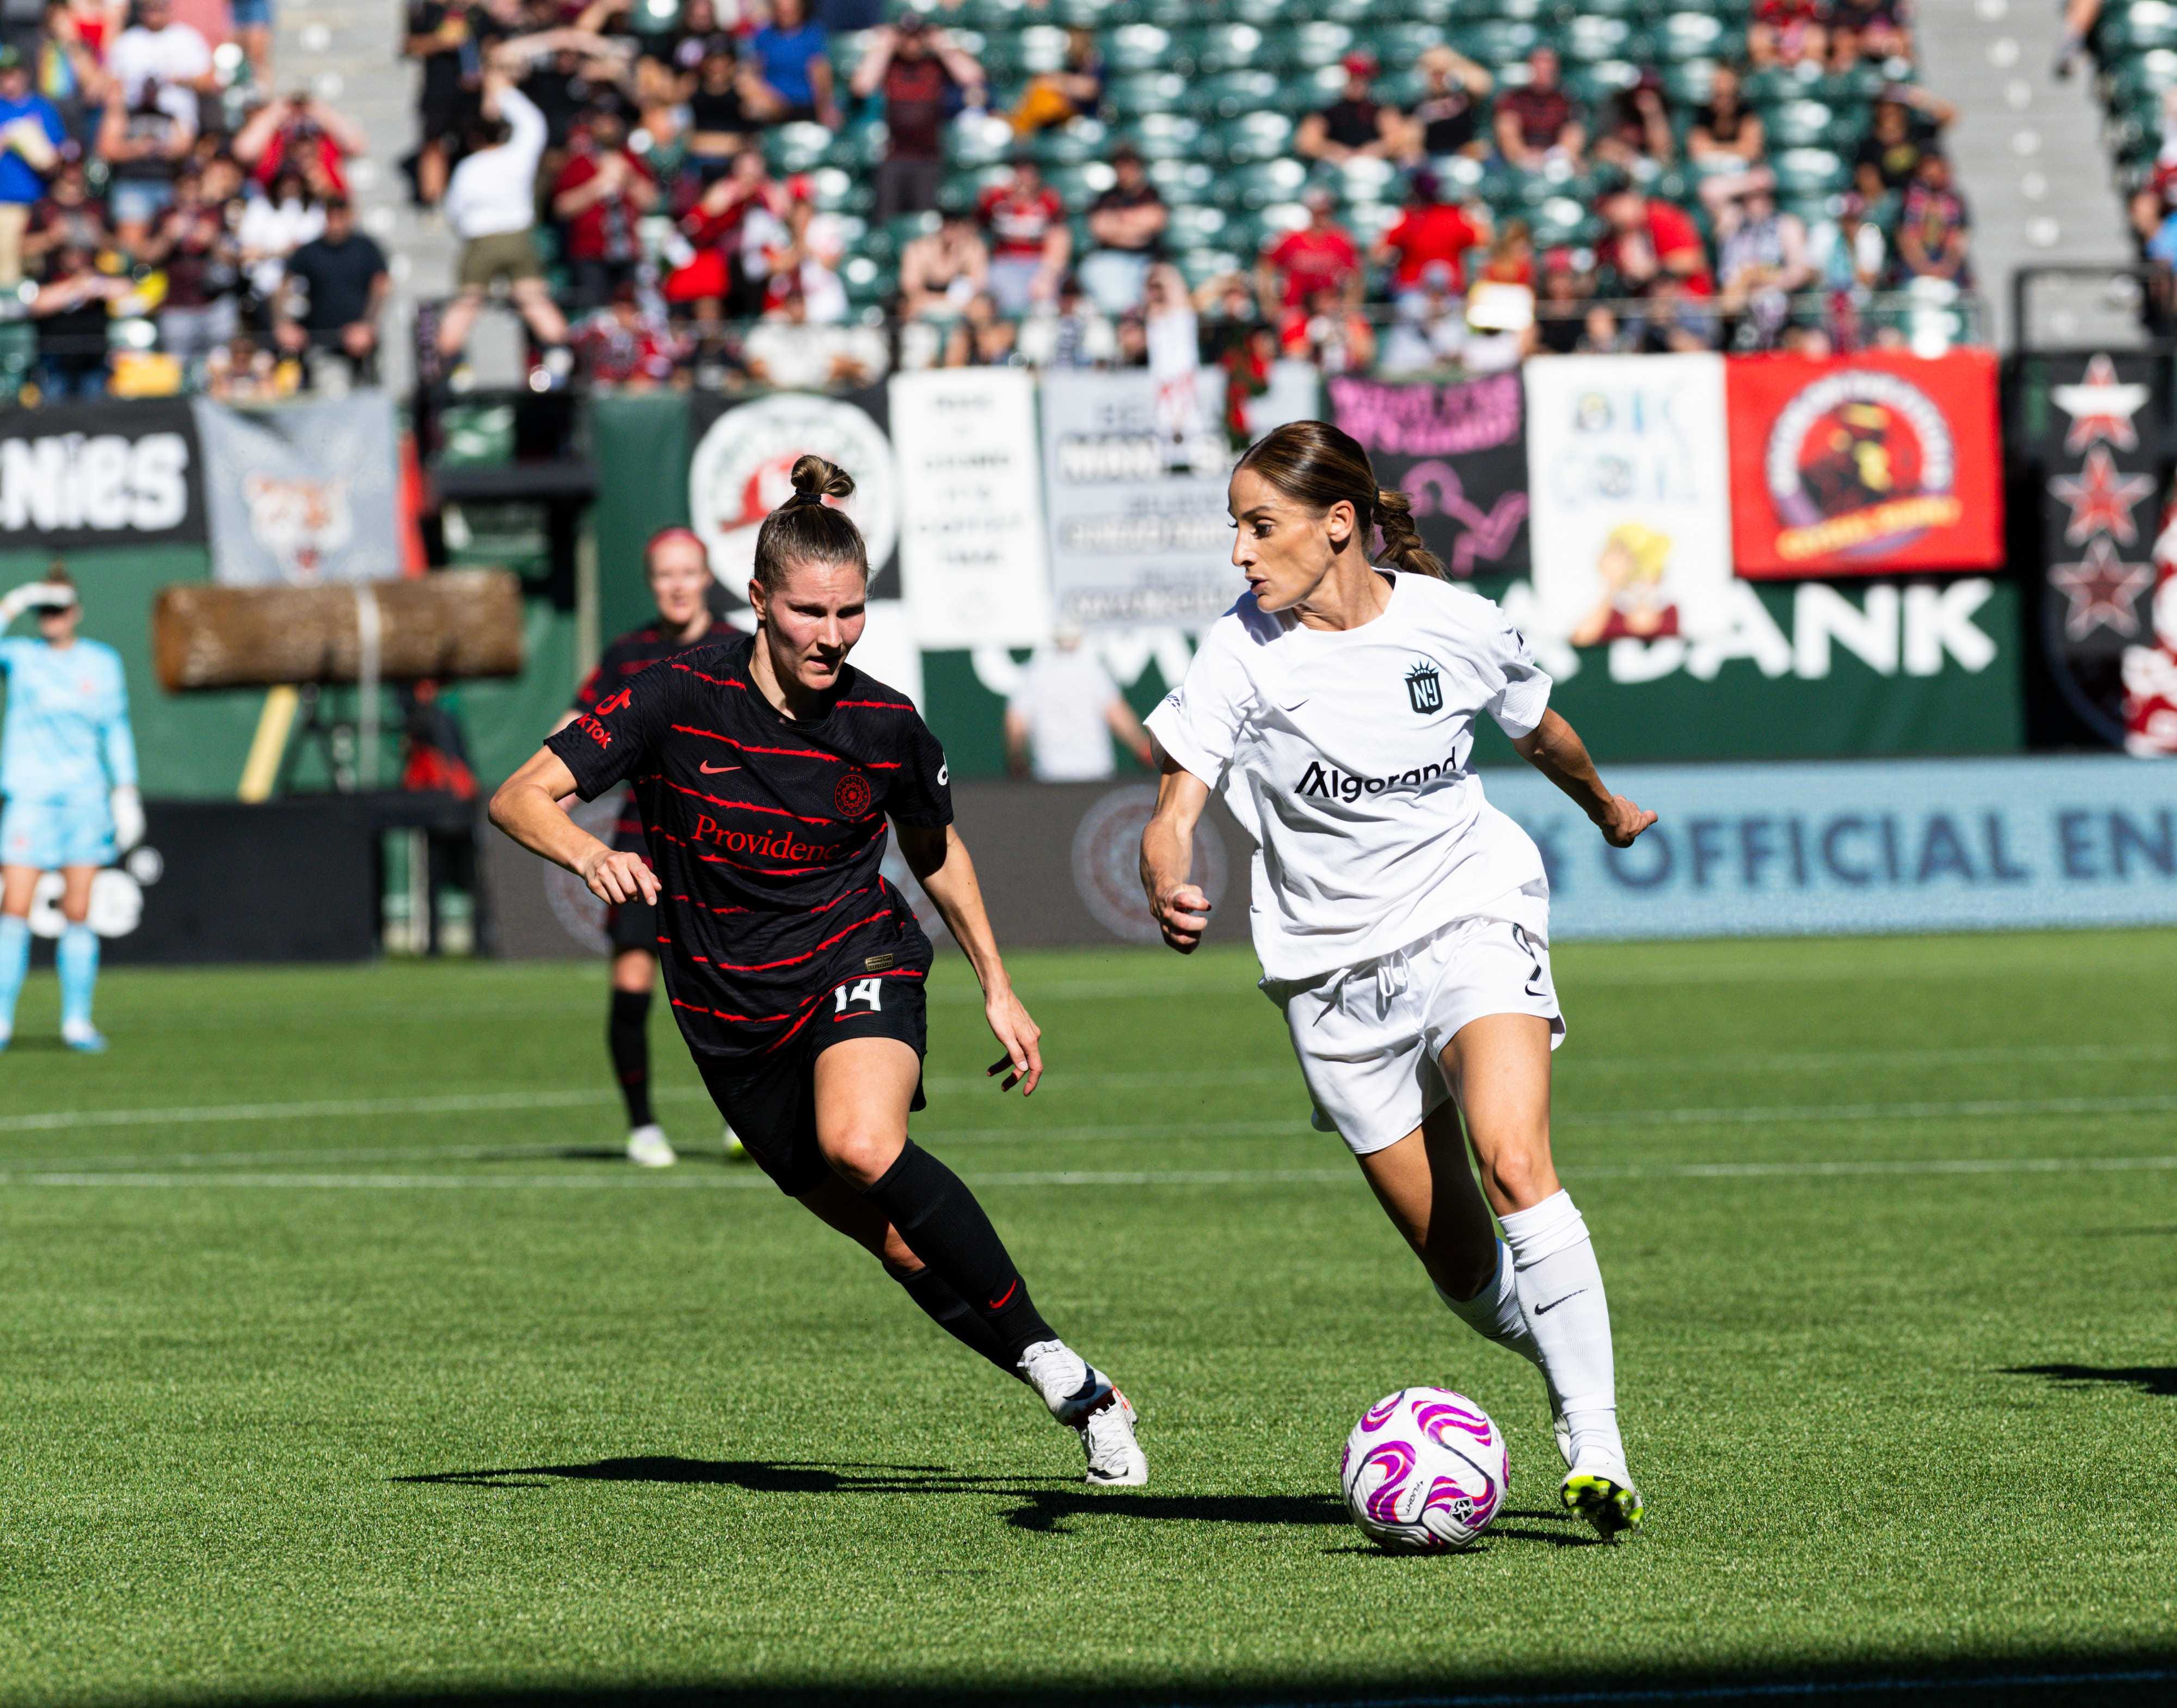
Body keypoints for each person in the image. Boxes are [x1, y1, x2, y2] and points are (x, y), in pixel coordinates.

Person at [490, 456, 1149, 1486]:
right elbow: (522, 794)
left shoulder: (884, 725)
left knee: (862, 1140)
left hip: (859, 953)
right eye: (809, 612)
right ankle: (1071, 1382)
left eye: (851, 612)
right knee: (895, 1245)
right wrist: (590, 852)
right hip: (726, 1018)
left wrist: (998, 984)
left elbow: (936, 854)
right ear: (758, 600)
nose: (832, 635)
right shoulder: (673, 694)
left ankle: (1061, 1366)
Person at [1137, 420, 1653, 1539]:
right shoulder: (1238, 655)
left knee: (1515, 1157)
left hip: (1469, 909)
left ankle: (1596, 1439)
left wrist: (1604, 807)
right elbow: (1174, 806)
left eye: (1257, 526)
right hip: (1330, 978)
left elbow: (1539, 729)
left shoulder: (1454, 625)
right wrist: (1168, 878)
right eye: (1233, 527)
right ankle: (1559, 1355)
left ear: (1336, 526)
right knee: (1464, 1272)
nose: (1238, 552)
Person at [551, 529, 740, 1168]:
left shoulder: (743, 646)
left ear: (707, 575)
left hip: (728, 842)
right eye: (665, 574)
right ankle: (642, 1128)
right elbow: (572, 737)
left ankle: (746, 1119)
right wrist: (540, 798)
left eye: (689, 572)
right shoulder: (627, 653)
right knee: (632, 981)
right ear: (651, 581)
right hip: (643, 841)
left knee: (738, 986)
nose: (678, 585)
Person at [0, 570, 142, 1055]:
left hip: (84, 799)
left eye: (59, 609)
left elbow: (115, 727)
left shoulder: (101, 663)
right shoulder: (20, 658)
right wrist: (17, 600)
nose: (51, 618)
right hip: (31, 798)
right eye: (45, 609)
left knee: (78, 910)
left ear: (77, 612)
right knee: (14, 908)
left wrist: (126, 790)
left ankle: (76, 1021)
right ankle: (1, 1019)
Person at [436, 41, 571, 368]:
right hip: (519, 238)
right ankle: (561, 360)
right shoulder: (517, 157)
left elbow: (454, 211)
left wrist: (495, 86)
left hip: (481, 241)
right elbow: (534, 125)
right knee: (535, 302)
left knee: (465, 307)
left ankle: (444, 364)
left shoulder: (468, 169)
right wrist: (505, 92)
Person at [851, 14, 983, 222]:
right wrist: (884, 47)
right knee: (886, 220)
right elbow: (862, 86)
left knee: (925, 222)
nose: (912, 42)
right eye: (906, 36)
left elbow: (973, 77)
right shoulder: (891, 65)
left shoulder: (935, 65)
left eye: (917, 36)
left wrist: (942, 45)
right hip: (894, 157)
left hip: (928, 159)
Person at [1005, 623, 1153, 782]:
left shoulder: (1033, 673)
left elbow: (1016, 723)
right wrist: (1143, 748)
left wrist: (1017, 757)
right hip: (1094, 770)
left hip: (1051, 773)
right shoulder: (1093, 671)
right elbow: (1117, 716)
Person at [276, 195, 389, 382]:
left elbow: (381, 285)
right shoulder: (310, 251)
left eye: (341, 216)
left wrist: (368, 325)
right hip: (318, 340)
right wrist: (284, 324)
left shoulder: (366, 248)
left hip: (358, 341)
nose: (336, 223)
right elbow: (283, 285)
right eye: (332, 216)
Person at [0, 46, 65, 288]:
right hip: (5, 205)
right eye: (3, 75)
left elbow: (56, 158)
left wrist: (32, 142)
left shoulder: (42, 108)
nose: (8, 81)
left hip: (39, 204)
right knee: (7, 272)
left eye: (12, 73)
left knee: (38, 269)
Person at [1078, 144, 1165, 316]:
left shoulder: (1151, 194)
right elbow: (1100, 229)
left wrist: (1118, 224)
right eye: (1121, 165)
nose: (1125, 170)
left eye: (1130, 165)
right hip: (1111, 259)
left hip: (1147, 259)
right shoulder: (1106, 197)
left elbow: (1156, 221)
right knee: (1093, 270)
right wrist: (1137, 226)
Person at [976, 155, 1068, 316]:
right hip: (1005, 262)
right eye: (1020, 171)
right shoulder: (995, 199)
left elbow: (1060, 237)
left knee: (1045, 300)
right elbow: (975, 230)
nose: (1024, 178)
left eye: (1029, 172)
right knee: (1009, 299)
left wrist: (1048, 275)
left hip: (1038, 263)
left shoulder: (1048, 200)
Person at [1295, 52, 1403, 166]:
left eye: (1362, 78)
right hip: (1335, 168)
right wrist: (1334, 151)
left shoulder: (1379, 108)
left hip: (1372, 167)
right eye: (1353, 77)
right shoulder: (1328, 109)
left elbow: (1397, 138)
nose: (1357, 83)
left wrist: (1375, 150)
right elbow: (1307, 142)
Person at [745, 0, 839, 130]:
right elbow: (755, 72)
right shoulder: (764, 36)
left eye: (791, 11)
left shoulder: (812, 34)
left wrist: (826, 108)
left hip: (805, 106)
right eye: (782, 11)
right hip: (774, 108)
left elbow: (820, 73)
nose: (786, 15)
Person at [1492, 46, 1583, 172]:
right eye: (1538, 65)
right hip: (1519, 159)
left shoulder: (1566, 99)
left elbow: (1573, 136)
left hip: (1554, 160)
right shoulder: (1513, 98)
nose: (1543, 70)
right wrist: (1524, 156)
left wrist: (1554, 157)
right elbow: (1508, 134)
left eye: (1548, 65)